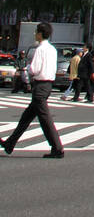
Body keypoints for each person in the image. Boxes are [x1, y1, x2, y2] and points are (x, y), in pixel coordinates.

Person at [0, 22, 65, 158]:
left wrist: (28, 68)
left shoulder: (39, 49)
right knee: (26, 117)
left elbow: (34, 69)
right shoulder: (52, 49)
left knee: (45, 119)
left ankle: (57, 148)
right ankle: (9, 144)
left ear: (40, 34)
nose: (35, 34)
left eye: (36, 32)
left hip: (40, 86)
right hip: (48, 85)